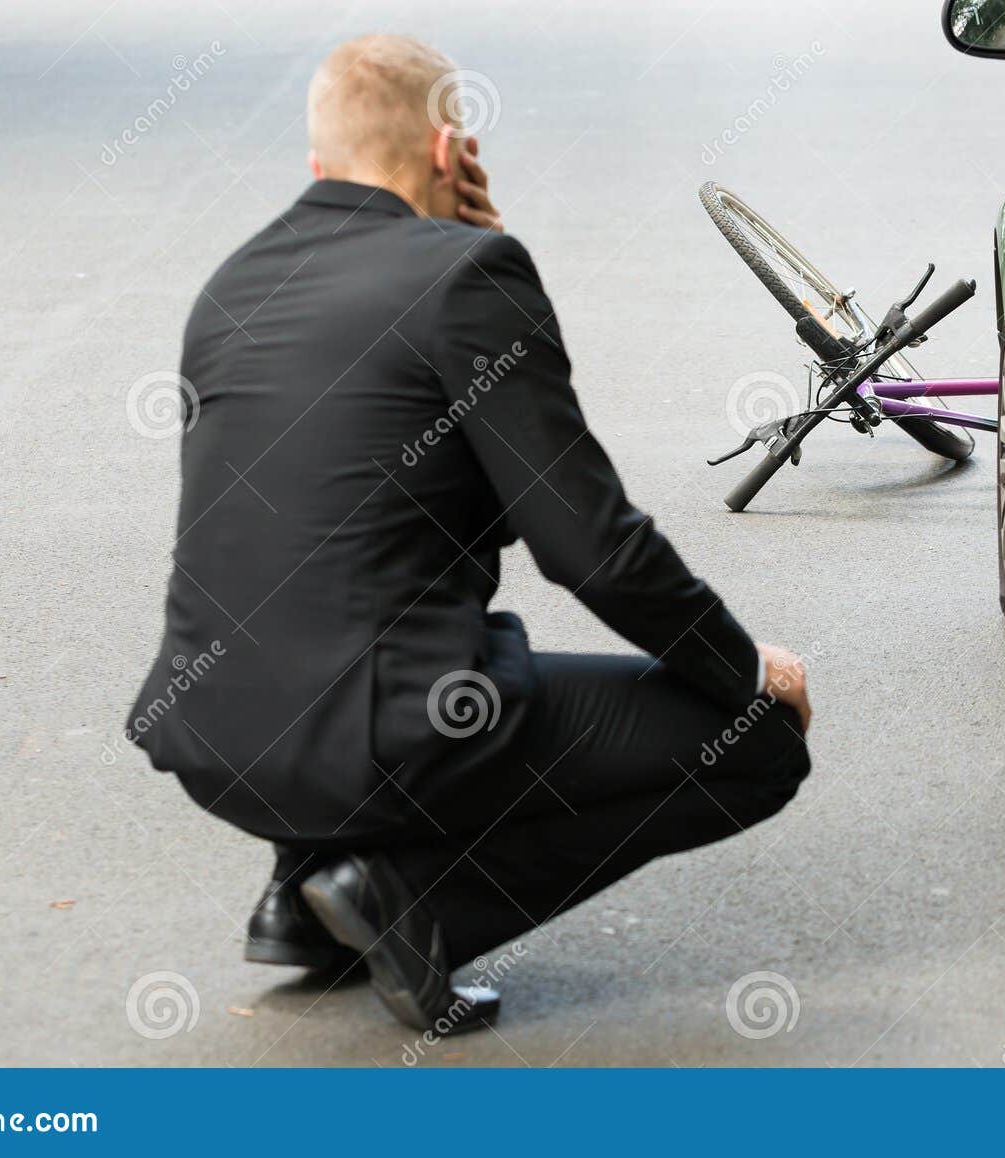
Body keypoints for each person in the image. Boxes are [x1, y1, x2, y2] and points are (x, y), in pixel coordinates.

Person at [127, 33, 813, 1033]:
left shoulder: (232, 286)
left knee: (340, 606)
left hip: (215, 741)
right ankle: (418, 901)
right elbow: (589, 548)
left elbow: (348, 517)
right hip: (379, 731)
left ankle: (303, 898)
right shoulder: (467, 277)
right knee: (757, 748)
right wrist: (745, 669)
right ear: (452, 153)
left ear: (319, 166)